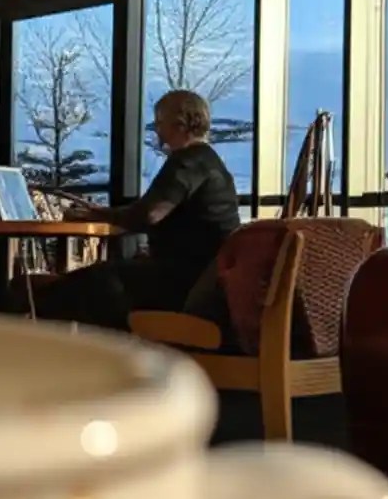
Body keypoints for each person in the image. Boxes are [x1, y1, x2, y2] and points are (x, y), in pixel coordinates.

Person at [34, 90, 241, 331]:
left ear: (179, 123)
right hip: (205, 280)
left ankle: (27, 323)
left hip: (183, 281)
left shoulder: (187, 161)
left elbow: (149, 214)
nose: (157, 129)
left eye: (160, 122)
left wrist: (98, 214)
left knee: (89, 286)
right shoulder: (209, 161)